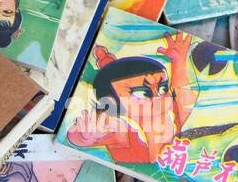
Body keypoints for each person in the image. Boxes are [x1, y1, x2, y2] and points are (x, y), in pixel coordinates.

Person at [63, 36, 195, 166]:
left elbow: (182, 91)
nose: (157, 97)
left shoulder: (173, 112)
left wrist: (178, 62)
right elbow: (73, 136)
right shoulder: (123, 129)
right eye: (143, 93)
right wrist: (85, 138)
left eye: (163, 88)